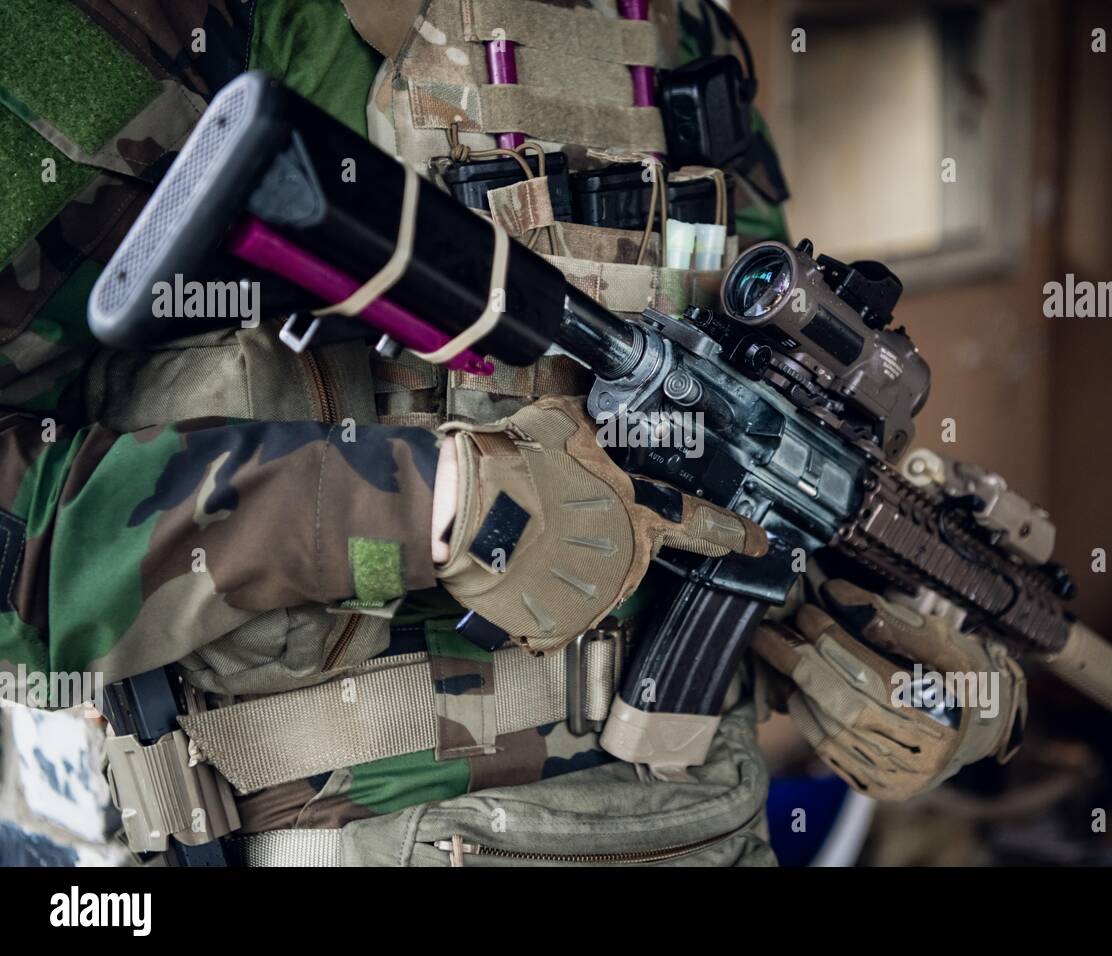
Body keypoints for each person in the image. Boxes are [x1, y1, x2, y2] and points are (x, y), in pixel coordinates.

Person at [0, 0, 1023, 866]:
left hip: (707, 823)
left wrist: (831, 643)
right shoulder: (133, 26)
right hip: (332, 820)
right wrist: (423, 503)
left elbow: (745, 430)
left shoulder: (675, 31)